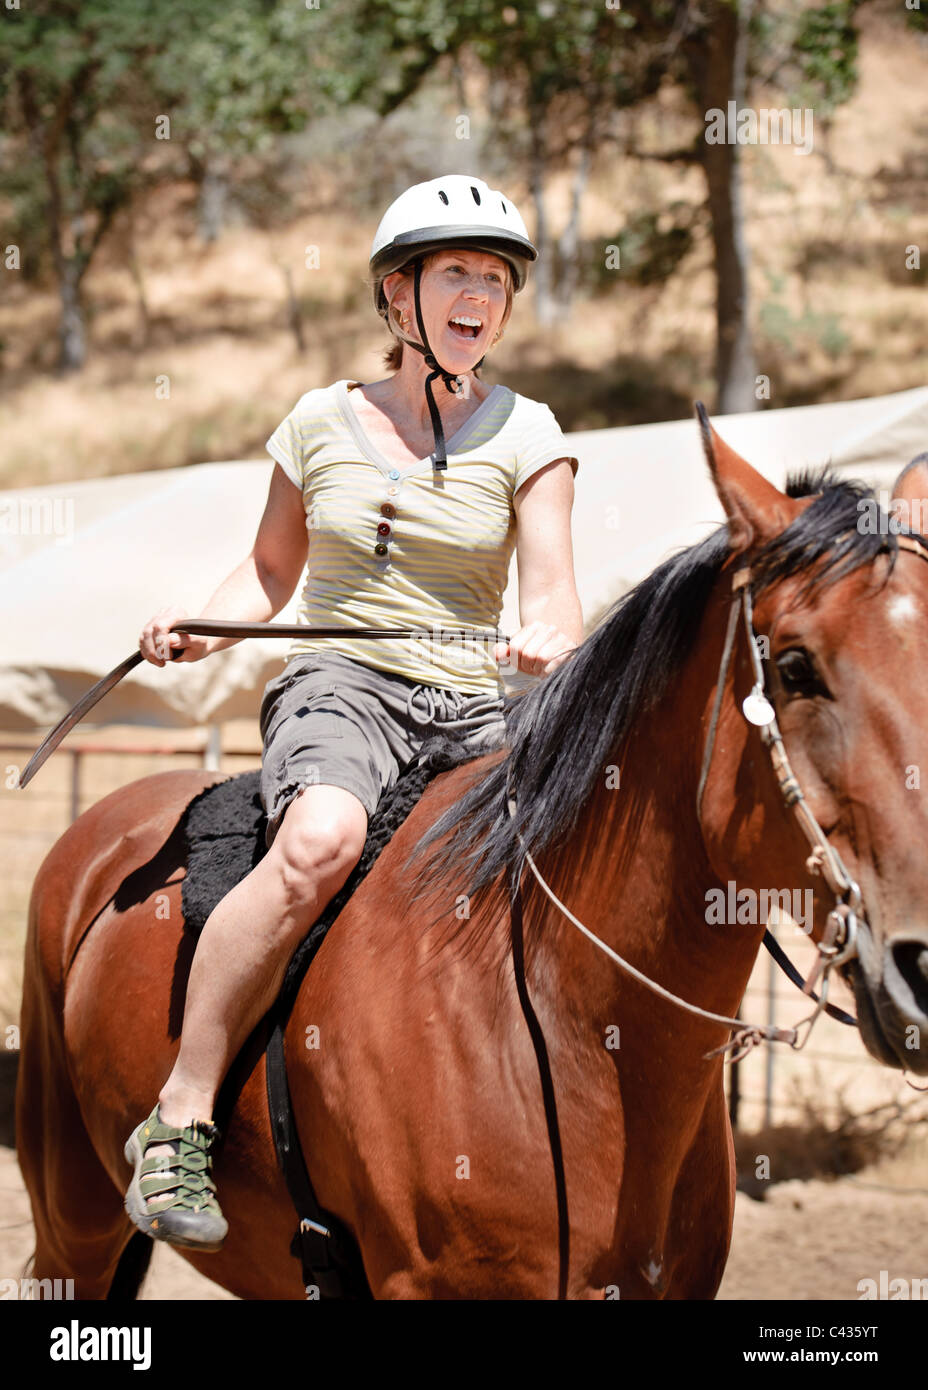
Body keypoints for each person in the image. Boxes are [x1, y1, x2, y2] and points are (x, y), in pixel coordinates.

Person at [123, 174, 583, 1250]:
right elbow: (268, 573)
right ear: (397, 294)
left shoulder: (534, 434)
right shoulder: (318, 421)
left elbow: (555, 597)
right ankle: (181, 1113)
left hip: (476, 706)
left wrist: (549, 636)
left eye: (495, 280)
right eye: (456, 273)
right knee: (321, 838)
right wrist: (202, 621)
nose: (480, 296)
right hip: (344, 685)